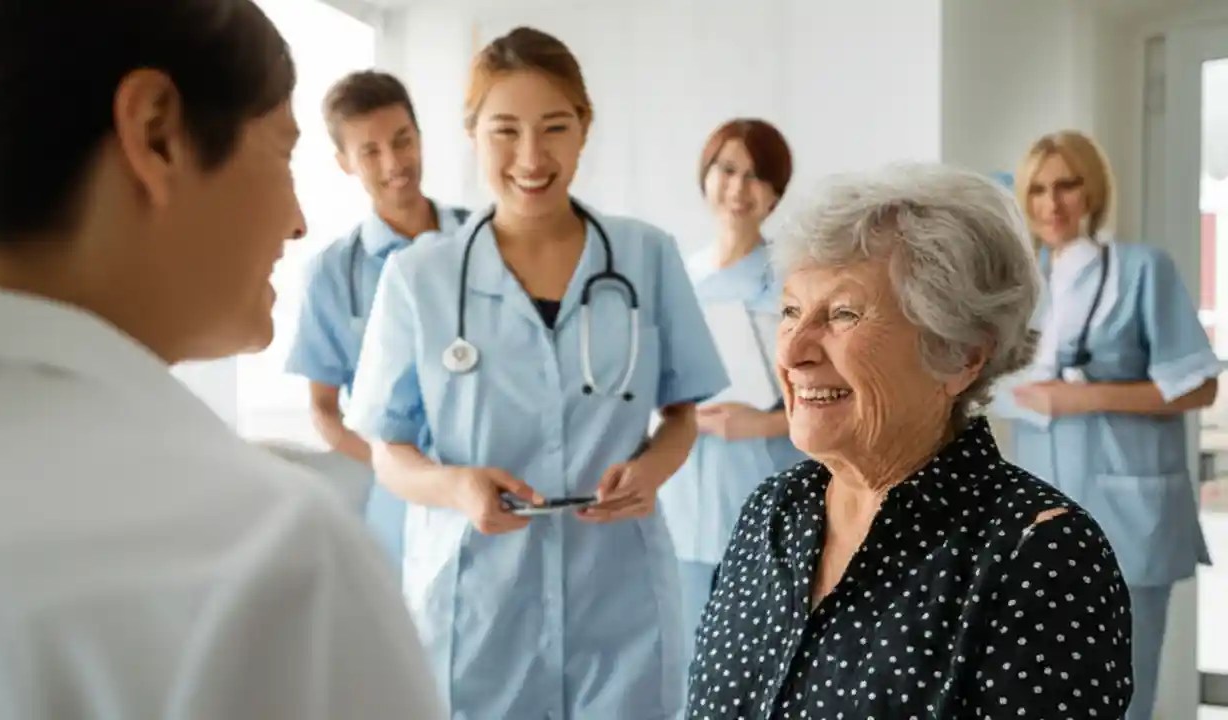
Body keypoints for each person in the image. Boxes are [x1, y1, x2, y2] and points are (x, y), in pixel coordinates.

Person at [0, 2, 441, 718]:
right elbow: (331, 412)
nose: (297, 219)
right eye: (281, 152)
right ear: (157, 134)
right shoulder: (269, 557)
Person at [347, 26, 729, 719]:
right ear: (471, 134)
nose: (531, 156)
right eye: (505, 130)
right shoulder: (418, 279)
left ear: (583, 129)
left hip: (617, 592)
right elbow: (387, 453)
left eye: (555, 127)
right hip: (478, 600)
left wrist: (652, 470)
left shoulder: (647, 257)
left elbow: (682, 414)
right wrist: (454, 486)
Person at [686, 163, 1134, 718]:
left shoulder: (1039, 556)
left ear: (961, 354)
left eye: (844, 314)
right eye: (792, 311)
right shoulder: (770, 513)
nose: (794, 350)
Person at [992, 129, 1219, 720]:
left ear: (1093, 189)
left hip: (1127, 513)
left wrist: (1083, 398)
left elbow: (1199, 384)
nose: (1051, 203)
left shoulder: (1142, 269)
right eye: (1037, 189)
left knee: (1124, 695)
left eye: (1067, 184)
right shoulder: (1021, 284)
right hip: (1038, 514)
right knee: (1042, 694)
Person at [285, 70, 468, 574]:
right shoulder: (331, 275)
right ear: (344, 163)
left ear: (420, 137)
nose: (394, 164)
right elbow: (323, 410)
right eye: (370, 151)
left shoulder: (487, 242)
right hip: (396, 507)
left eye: (402, 141)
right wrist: (405, 468)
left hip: (491, 484)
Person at [657, 118, 806, 651]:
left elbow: (831, 396)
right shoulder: (677, 273)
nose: (739, 188)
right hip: (684, 490)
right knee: (689, 654)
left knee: (759, 653)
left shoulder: (793, 278)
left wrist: (760, 423)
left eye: (756, 176)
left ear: (775, 194)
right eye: (727, 170)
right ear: (706, 175)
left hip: (762, 483)